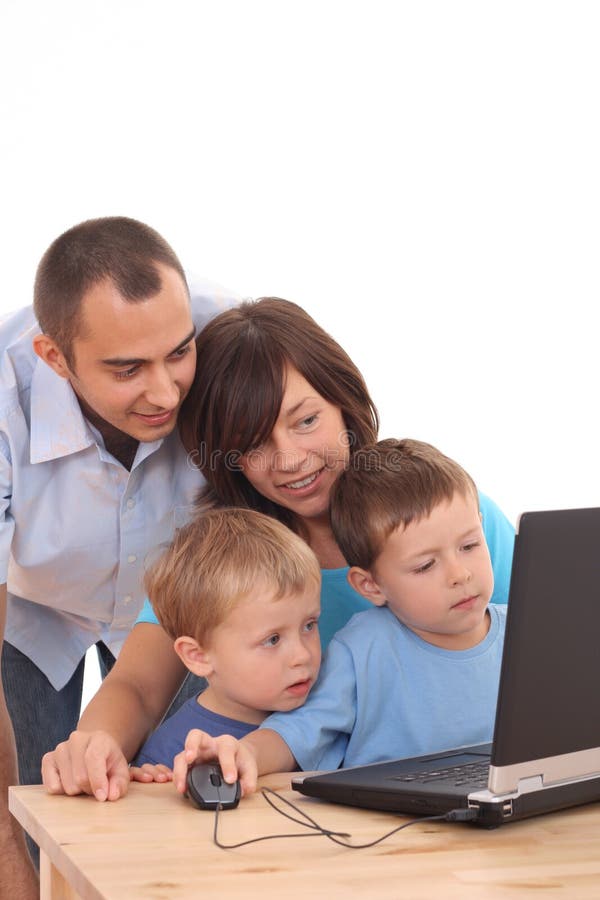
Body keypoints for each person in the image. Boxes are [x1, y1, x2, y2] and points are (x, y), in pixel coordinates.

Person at [42, 300, 515, 802]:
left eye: (306, 421)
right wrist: (94, 742)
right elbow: (138, 685)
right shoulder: (232, 555)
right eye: (253, 444)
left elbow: (533, 646)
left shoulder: (451, 524)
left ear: (343, 402)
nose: (290, 459)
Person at [0, 216, 236, 896]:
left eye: (178, 354)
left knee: (190, 813)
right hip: (37, 611)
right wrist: (13, 862)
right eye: (127, 369)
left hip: (180, 607)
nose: (164, 393)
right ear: (53, 356)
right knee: (31, 816)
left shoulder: (230, 335)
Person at [170, 438, 508, 795]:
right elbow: (297, 733)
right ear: (370, 586)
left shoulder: (527, 633)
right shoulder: (362, 649)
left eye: (470, 545)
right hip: (389, 822)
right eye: (425, 565)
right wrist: (247, 753)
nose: (460, 574)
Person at [130, 507, 321, 777]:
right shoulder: (170, 759)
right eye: (273, 639)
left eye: (309, 625)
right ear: (198, 656)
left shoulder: (329, 711)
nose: (303, 655)